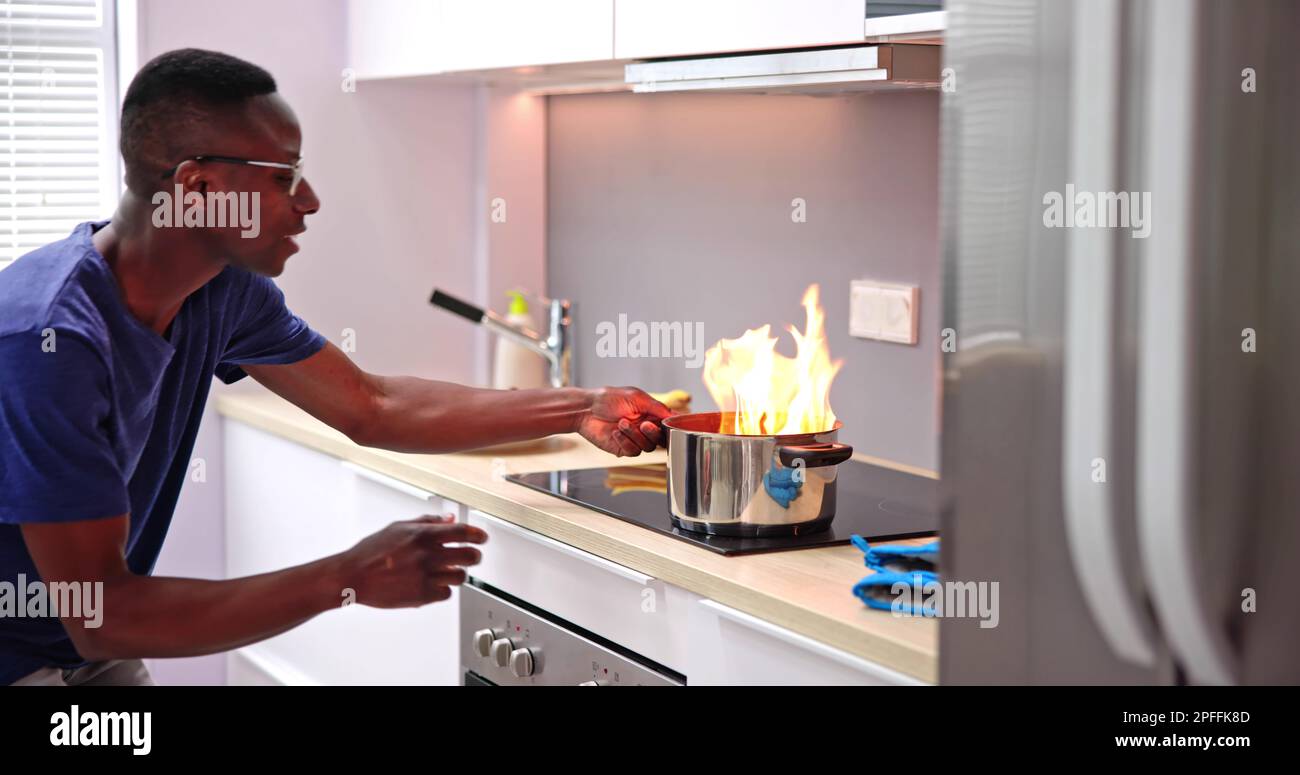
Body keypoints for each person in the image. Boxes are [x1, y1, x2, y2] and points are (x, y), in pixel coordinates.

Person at [0, 49, 671, 686]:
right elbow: (104, 614)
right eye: (283, 177)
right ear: (198, 188)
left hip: (87, 645)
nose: (310, 199)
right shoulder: (48, 341)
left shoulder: (219, 291)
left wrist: (580, 406)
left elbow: (372, 404)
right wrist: (346, 576)